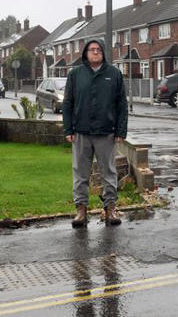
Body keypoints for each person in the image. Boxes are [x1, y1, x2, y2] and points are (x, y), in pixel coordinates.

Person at [63, 38, 128, 228]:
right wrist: (68, 129)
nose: (95, 52)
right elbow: (68, 103)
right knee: (80, 173)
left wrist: (121, 130)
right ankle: (81, 211)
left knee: (109, 172)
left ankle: (110, 209)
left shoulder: (114, 74)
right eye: (92, 49)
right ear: (85, 53)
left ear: (104, 52)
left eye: (99, 49)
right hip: (81, 132)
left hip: (106, 132)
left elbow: (122, 105)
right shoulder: (76, 74)